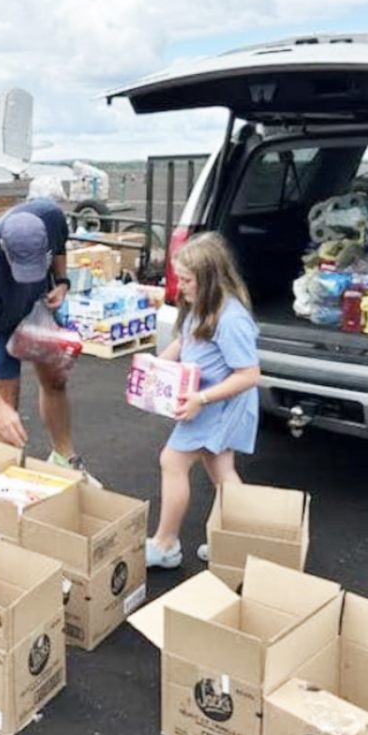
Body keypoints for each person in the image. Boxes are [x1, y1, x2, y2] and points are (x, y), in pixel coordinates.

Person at [144, 232, 262, 570]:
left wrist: (201, 397)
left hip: (217, 404)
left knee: (173, 462)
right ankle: (233, 543)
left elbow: (249, 374)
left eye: (186, 280)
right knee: (221, 470)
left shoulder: (231, 318)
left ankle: (166, 545)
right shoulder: (203, 305)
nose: (180, 287)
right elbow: (184, 340)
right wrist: (158, 365)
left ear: (209, 279)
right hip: (207, 400)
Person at [0, 198, 88, 471]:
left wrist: (62, 282)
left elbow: (61, 244)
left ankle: (66, 459)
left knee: (55, 381)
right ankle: (6, 475)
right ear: (4, 248)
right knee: (5, 403)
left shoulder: (50, 216)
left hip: (37, 308)